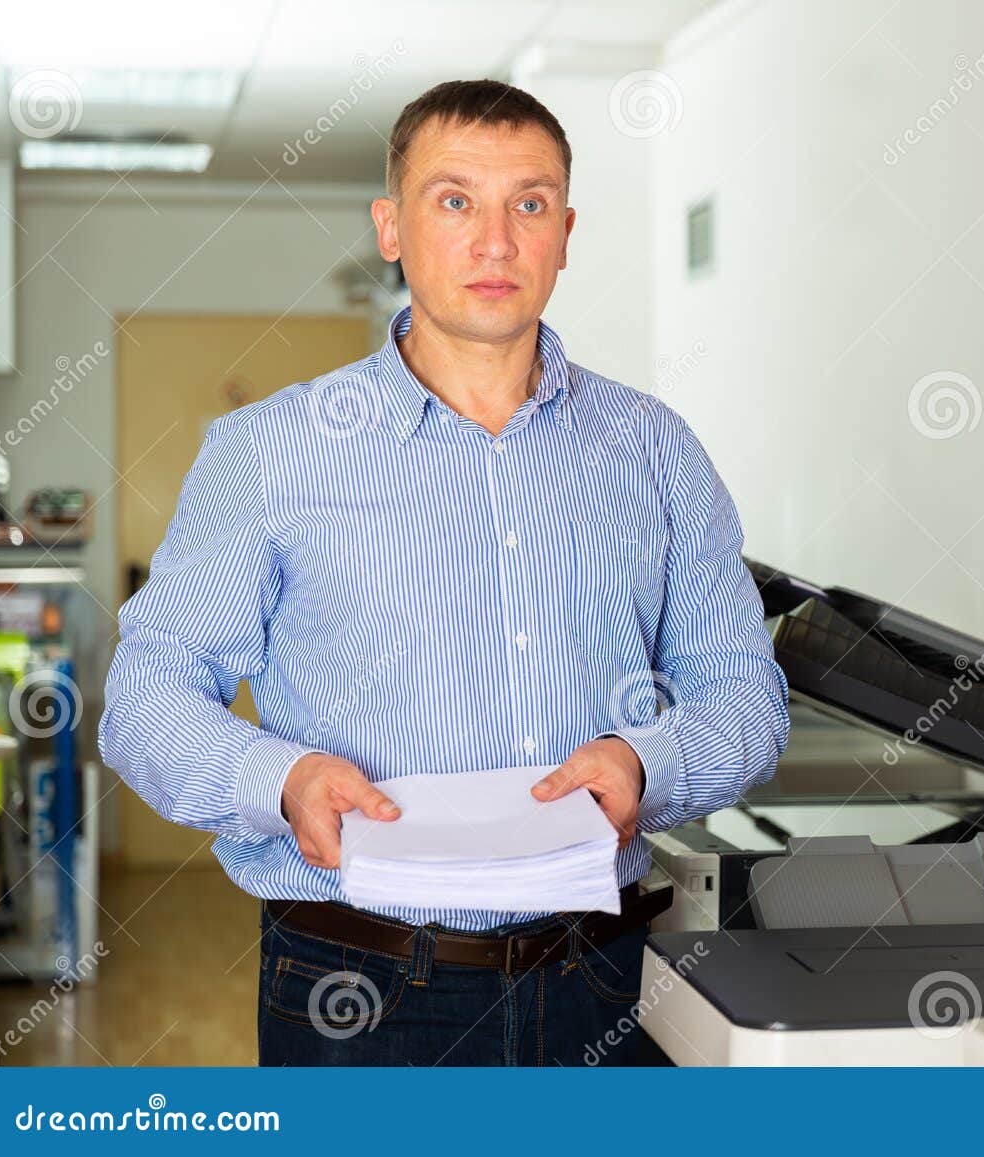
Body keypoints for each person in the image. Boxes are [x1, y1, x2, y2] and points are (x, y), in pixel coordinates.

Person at [99, 78, 790, 1067]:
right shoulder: (267, 452)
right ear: (391, 226)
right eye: (454, 199)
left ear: (565, 230)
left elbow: (745, 696)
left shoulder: (653, 449)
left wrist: (647, 764)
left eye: (530, 203)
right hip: (360, 988)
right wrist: (280, 777)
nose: (496, 241)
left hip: (606, 978)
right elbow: (144, 696)